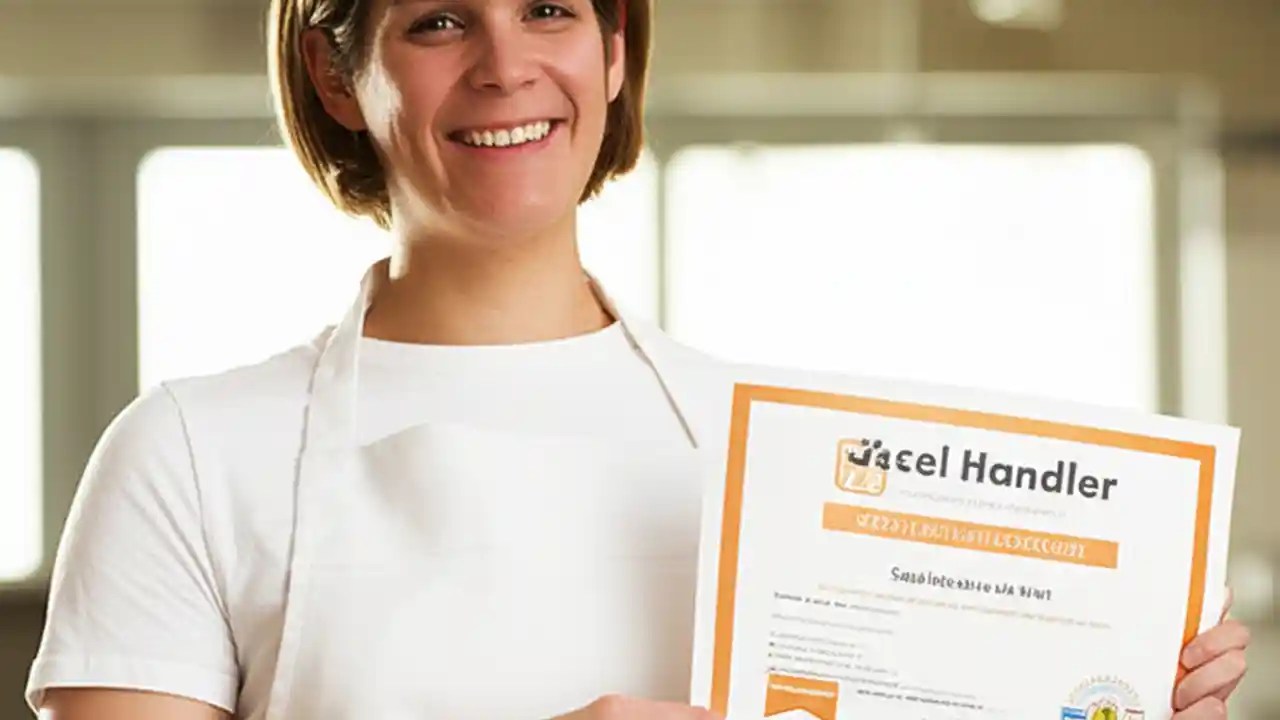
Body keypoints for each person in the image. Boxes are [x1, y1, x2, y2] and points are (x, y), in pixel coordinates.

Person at [25, 0, 1250, 718]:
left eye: (549, 6)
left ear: (613, 50)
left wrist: (1113, 694)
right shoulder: (189, 451)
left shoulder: (781, 448)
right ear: (336, 77)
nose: (506, 66)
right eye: (440, 18)